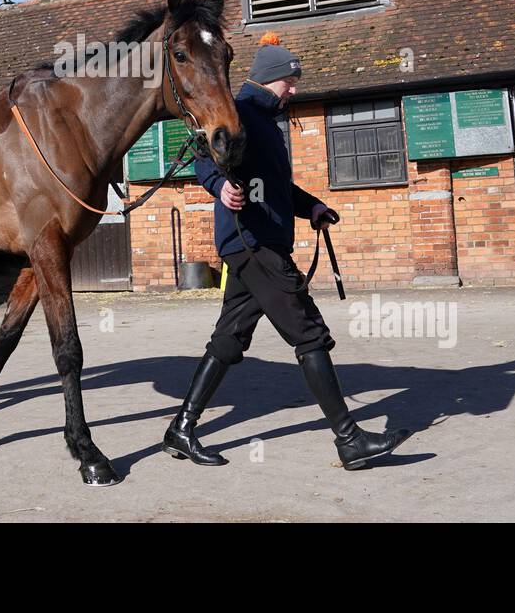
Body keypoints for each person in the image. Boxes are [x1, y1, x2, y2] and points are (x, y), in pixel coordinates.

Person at [162, 32, 408, 470]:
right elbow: (203, 157)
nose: (294, 89)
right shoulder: (236, 113)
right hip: (254, 244)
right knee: (309, 333)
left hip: (253, 245)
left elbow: (278, 188)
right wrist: (219, 188)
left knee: (228, 341)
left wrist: (310, 206)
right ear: (269, 80)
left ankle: (181, 430)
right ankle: (349, 441)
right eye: (289, 82)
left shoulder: (269, 125)